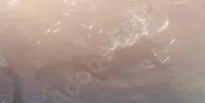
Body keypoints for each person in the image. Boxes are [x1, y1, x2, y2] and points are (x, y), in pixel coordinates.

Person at [35, 35, 171, 84]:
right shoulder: (146, 52)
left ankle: (77, 63)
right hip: (114, 62)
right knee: (101, 75)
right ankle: (79, 63)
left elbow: (119, 51)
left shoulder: (142, 48)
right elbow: (158, 65)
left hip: (111, 60)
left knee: (96, 70)